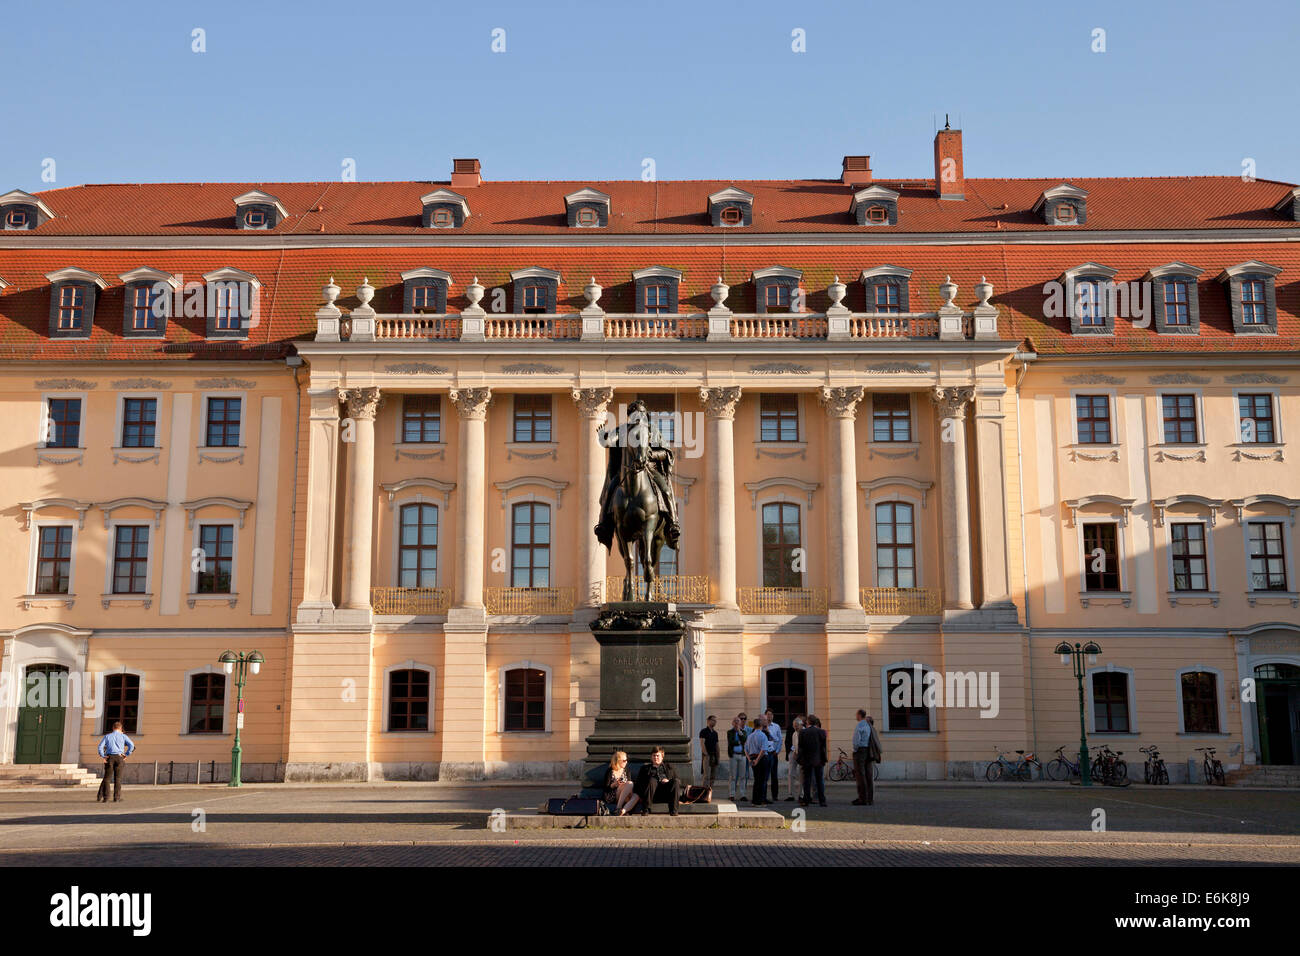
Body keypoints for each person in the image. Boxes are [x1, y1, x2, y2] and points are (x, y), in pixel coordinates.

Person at [633, 746, 680, 815]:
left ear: (662, 757)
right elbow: (639, 783)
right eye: (654, 756)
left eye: (658, 756)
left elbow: (677, 781)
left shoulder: (669, 767)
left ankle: (674, 811)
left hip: (666, 793)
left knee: (675, 781)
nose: (655, 757)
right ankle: (646, 809)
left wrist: (668, 780)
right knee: (652, 780)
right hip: (651, 794)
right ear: (651, 757)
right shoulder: (645, 768)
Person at [96, 720, 135, 803]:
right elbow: (131, 745)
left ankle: (106, 798)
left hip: (109, 757)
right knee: (118, 779)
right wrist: (126, 754)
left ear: (113, 728)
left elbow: (100, 747)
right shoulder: (123, 736)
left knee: (107, 778)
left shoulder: (107, 736)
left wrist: (103, 755)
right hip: (119, 757)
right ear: (120, 728)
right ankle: (116, 798)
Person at [852, 709, 881, 806]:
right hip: (869, 751)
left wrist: (855, 750)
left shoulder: (860, 725)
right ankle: (869, 799)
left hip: (861, 751)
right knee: (869, 775)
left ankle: (862, 799)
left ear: (859, 715)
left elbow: (856, 741)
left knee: (860, 775)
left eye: (856, 715)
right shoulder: (869, 725)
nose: (856, 716)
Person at [799, 715, 828, 807]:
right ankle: (822, 800)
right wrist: (824, 759)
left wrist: (800, 759)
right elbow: (823, 748)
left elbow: (801, 747)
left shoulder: (803, 732)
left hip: (807, 759)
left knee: (807, 781)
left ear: (807, 722)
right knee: (819, 781)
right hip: (818, 759)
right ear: (816, 722)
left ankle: (806, 800)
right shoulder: (821, 732)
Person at [604, 750, 639, 816]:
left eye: (626, 760)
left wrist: (624, 785)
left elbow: (630, 786)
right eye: (624, 760)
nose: (626, 762)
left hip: (626, 794)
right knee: (630, 783)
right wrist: (614, 784)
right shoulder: (610, 771)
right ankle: (618, 807)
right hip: (613, 795)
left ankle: (622, 811)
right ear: (618, 761)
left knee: (637, 796)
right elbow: (606, 788)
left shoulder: (627, 770)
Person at [745, 718, 770, 806]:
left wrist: (749, 760)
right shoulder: (763, 735)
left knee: (756, 780)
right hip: (761, 758)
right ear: (761, 725)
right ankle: (761, 800)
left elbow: (746, 749)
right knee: (762, 780)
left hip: (752, 757)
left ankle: (754, 801)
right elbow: (763, 750)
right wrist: (757, 760)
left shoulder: (750, 736)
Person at [727, 716, 748, 801]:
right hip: (733, 755)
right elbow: (731, 742)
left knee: (742, 776)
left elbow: (744, 739)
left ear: (740, 723)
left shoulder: (743, 732)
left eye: (738, 721)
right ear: (732, 723)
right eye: (735, 721)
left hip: (742, 755)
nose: (736, 723)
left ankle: (742, 794)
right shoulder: (730, 732)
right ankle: (732, 794)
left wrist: (739, 731)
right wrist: (739, 742)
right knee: (733, 776)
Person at [764, 709, 783, 802]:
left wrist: (778, 750)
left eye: (771, 714)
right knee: (765, 776)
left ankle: (775, 796)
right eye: (768, 714)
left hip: (773, 753)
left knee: (774, 776)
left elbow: (778, 740)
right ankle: (764, 796)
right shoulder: (762, 727)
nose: (769, 716)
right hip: (765, 754)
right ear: (765, 716)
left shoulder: (776, 726)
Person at [698, 714, 719, 791]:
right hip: (707, 756)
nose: (715, 722)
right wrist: (706, 754)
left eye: (715, 721)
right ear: (708, 721)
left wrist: (718, 756)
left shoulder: (715, 733)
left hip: (714, 756)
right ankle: (703, 791)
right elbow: (702, 743)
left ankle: (709, 791)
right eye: (713, 720)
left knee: (713, 776)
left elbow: (717, 745)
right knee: (706, 775)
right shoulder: (703, 731)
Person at [786, 716, 805, 802]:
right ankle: (791, 795)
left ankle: (801, 794)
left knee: (802, 775)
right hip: (795, 754)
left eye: (796, 725)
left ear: (801, 724)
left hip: (803, 756)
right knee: (790, 774)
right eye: (794, 726)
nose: (795, 727)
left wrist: (800, 754)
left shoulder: (805, 732)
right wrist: (793, 753)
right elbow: (793, 745)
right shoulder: (794, 733)